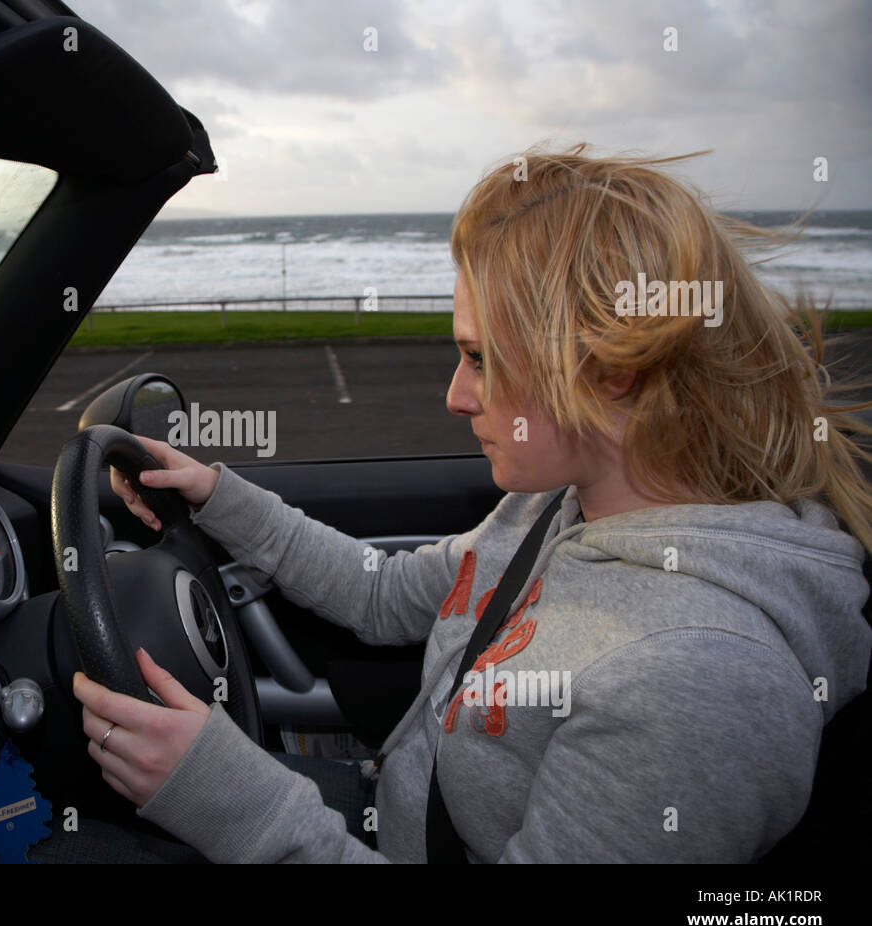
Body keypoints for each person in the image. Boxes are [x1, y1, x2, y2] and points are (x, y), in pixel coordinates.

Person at [64, 144, 872, 863]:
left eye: (481, 359)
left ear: (615, 371)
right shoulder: (559, 504)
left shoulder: (698, 687)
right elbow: (383, 594)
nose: (456, 396)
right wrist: (216, 494)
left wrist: (229, 799)